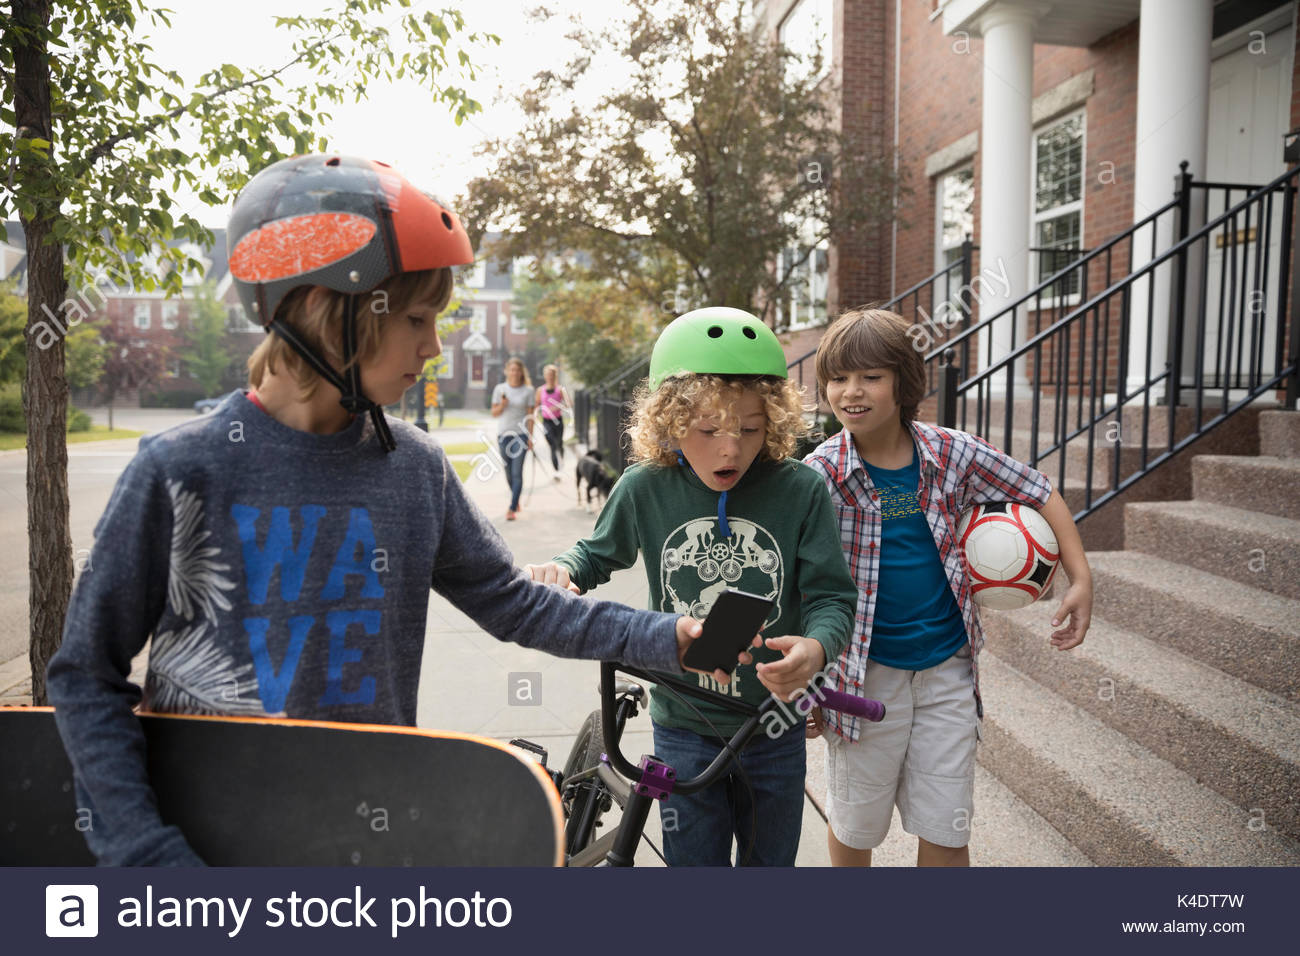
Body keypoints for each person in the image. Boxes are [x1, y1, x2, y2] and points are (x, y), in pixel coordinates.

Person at [44, 155, 736, 866]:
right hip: (200, 852)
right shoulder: (180, 471)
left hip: (364, 844)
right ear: (323, 309)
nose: (434, 346)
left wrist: (670, 636)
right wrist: (144, 854)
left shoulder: (413, 469)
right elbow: (85, 676)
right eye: (415, 318)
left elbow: (514, 603)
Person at [527, 307, 858, 866]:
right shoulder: (645, 487)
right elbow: (595, 554)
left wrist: (818, 647)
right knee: (693, 863)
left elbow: (832, 597)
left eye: (749, 430)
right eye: (709, 431)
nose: (731, 449)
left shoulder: (800, 490)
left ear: (772, 422)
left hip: (772, 723)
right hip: (683, 719)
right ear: (671, 421)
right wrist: (562, 570)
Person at [802, 308, 1093, 867]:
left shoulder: (953, 452)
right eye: (838, 378)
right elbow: (803, 585)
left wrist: (1080, 578)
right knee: (856, 827)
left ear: (904, 383)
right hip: (861, 679)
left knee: (947, 825)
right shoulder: (820, 474)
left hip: (948, 675)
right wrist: (807, 683)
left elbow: (1038, 490)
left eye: (870, 377)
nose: (851, 391)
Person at [491, 357, 534, 520]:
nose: (514, 373)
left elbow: (530, 416)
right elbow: (494, 413)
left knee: (517, 473)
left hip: (520, 436)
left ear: (521, 372)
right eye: (511, 370)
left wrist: (530, 437)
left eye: (517, 370)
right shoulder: (500, 389)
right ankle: (516, 499)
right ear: (507, 371)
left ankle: (511, 507)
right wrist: (502, 405)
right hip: (503, 435)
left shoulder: (528, 391)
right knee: (508, 473)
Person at [535, 364, 571, 472]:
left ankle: (560, 457)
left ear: (555, 376)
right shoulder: (540, 390)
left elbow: (569, 403)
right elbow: (536, 405)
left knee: (558, 443)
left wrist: (557, 406)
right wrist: (536, 415)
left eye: (551, 375)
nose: (549, 377)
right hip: (546, 422)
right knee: (552, 444)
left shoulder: (560, 389)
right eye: (547, 375)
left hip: (558, 421)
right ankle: (556, 467)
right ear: (545, 376)